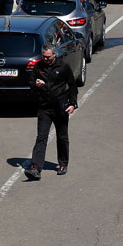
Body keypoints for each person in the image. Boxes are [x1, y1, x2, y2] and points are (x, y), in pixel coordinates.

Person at [25, 44, 78, 180]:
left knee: (62, 137)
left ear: (54, 54)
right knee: (41, 137)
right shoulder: (38, 66)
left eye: (48, 57)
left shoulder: (63, 66)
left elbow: (72, 85)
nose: (46, 59)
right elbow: (31, 85)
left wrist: (72, 104)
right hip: (44, 108)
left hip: (60, 108)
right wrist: (36, 85)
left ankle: (63, 164)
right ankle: (36, 168)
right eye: (44, 56)